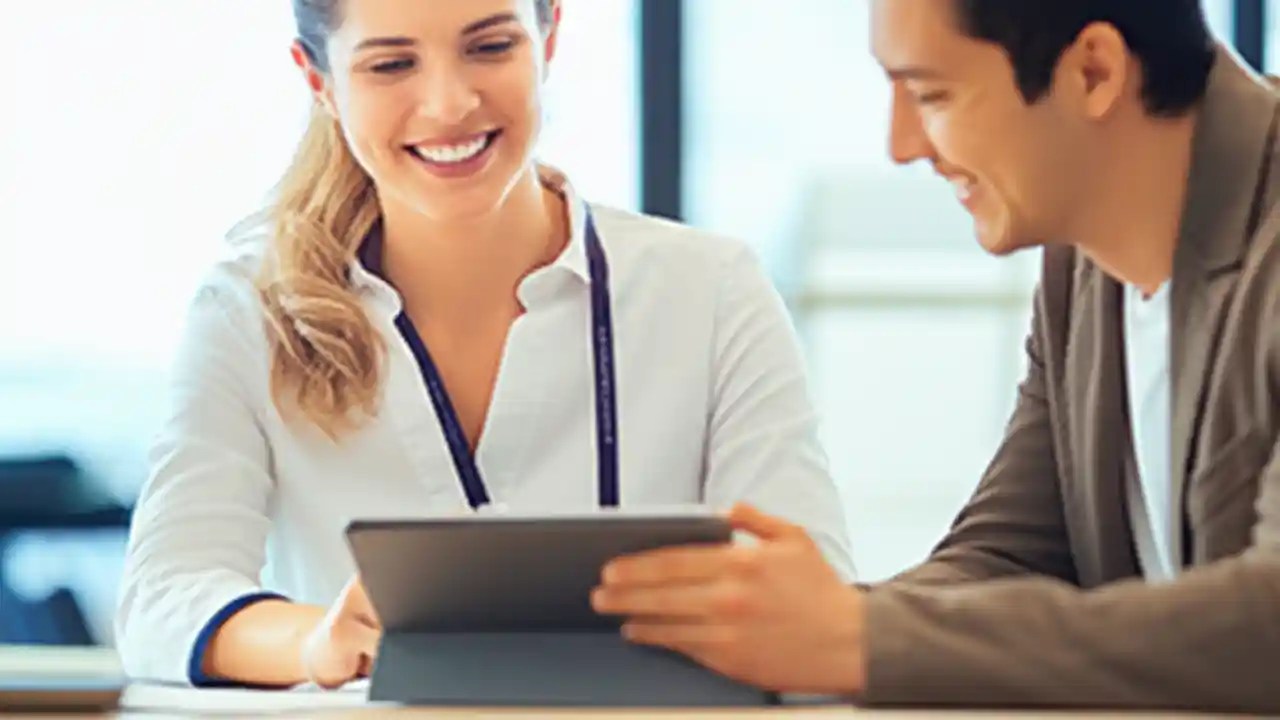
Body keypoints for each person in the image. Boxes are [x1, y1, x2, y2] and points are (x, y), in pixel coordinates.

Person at [113, 0, 854, 689]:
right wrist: (319, 642)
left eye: (491, 47)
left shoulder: (711, 290)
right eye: (391, 64)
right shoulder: (251, 308)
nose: (449, 104)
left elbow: (812, 599)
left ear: (549, 37)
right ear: (321, 82)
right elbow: (163, 598)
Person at [592, 0, 1280, 712]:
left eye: (931, 95)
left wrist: (858, 639)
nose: (902, 144)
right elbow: (1009, 556)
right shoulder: (1082, 260)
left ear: (1093, 72)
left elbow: (1269, 622)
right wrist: (776, 637)